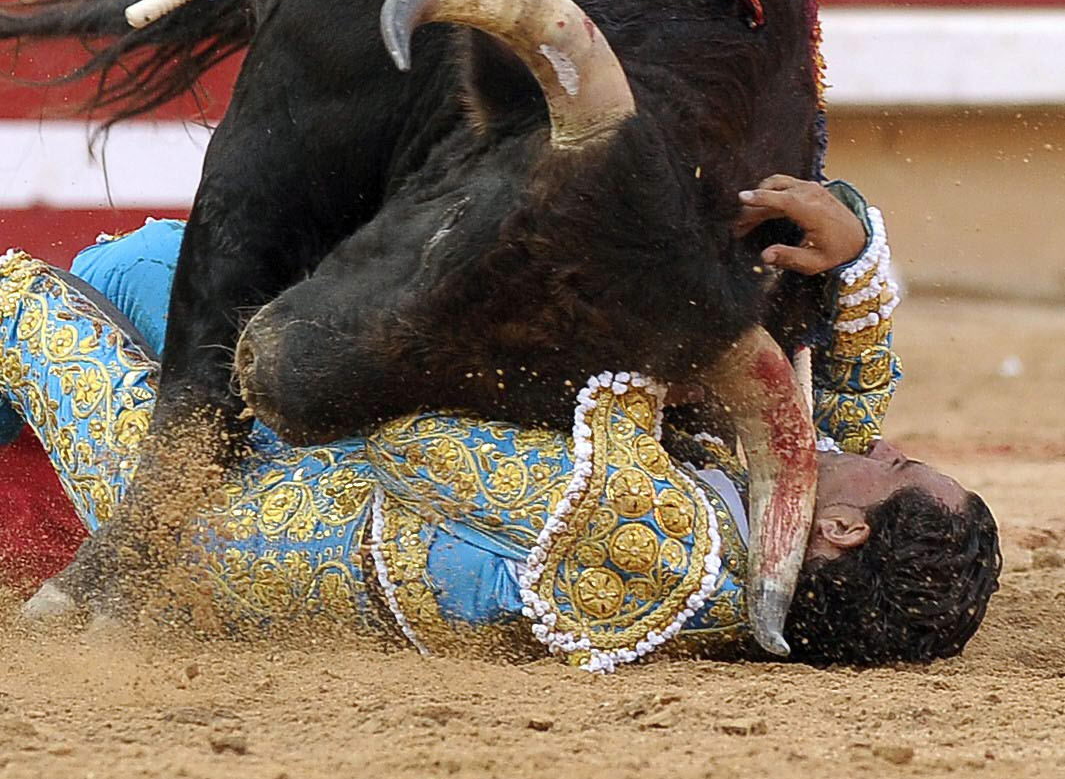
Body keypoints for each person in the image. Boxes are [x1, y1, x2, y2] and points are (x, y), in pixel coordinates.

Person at [0, 179, 1000, 669]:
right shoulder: (745, 556)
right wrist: (855, 249)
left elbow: (411, 433)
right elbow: (827, 423)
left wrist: (640, 350)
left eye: (898, 463)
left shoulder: (652, 531)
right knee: (151, 269)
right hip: (320, 472)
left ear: (845, 528)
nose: (873, 443)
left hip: (205, 514)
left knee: (24, 303)